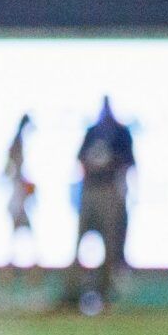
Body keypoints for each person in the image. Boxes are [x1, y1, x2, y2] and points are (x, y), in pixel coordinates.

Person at [65, 96, 134, 310]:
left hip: (109, 191)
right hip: (92, 191)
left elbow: (128, 162)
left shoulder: (121, 133)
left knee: (111, 246)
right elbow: (81, 159)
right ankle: (72, 294)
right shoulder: (92, 132)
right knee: (80, 243)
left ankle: (104, 293)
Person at [3, 113, 37, 273]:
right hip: (17, 200)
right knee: (17, 243)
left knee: (27, 242)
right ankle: (5, 284)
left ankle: (30, 280)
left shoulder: (21, 145)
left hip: (21, 198)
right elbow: (8, 172)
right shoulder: (16, 147)